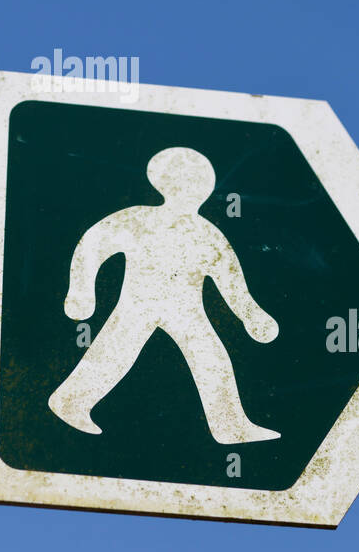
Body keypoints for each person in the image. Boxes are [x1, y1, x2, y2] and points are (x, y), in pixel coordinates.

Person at [48, 146, 280, 444]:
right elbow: (94, 244)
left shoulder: (208, 235)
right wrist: (80, 291)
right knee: (112, 354)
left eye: (199, 181)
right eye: (183, 180)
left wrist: (252, 315)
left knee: (212, 357)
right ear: (163, 183)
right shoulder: (138, 220)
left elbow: (231, 282)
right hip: (137, 305)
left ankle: (231, 426)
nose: (192, 188)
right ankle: (70, 402)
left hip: (186, 311)